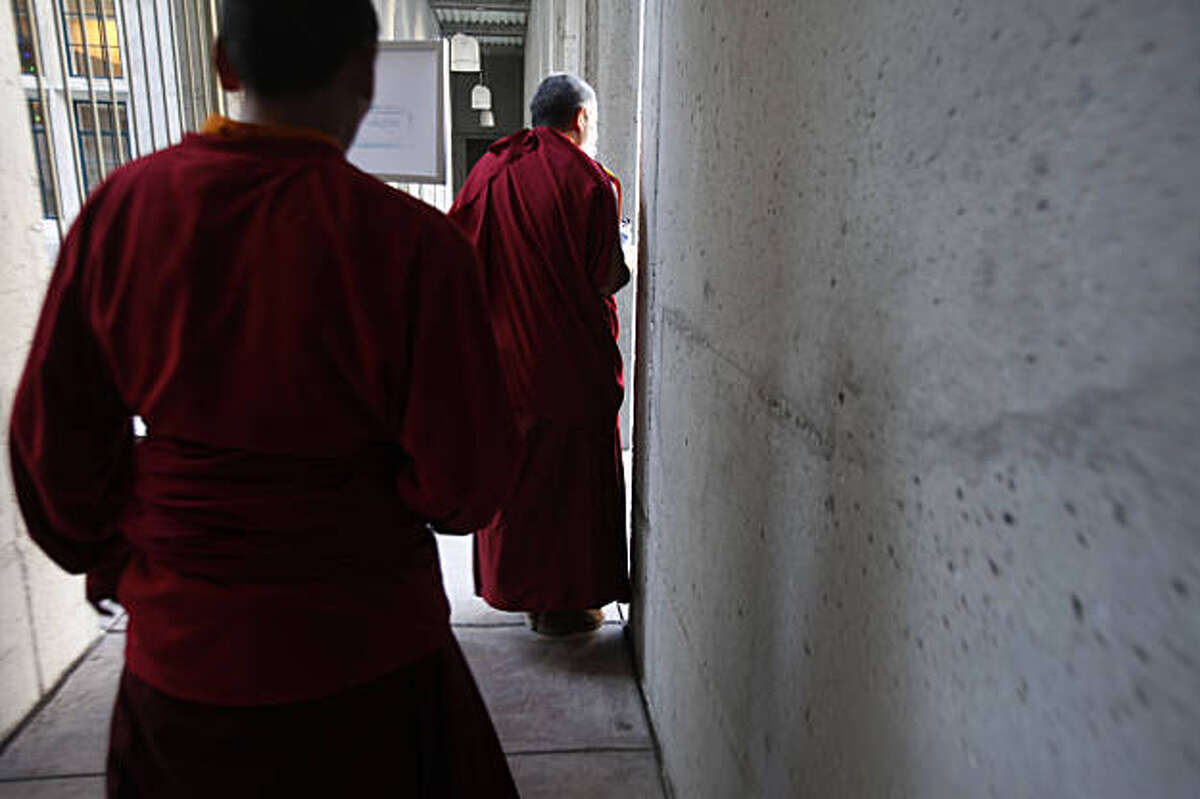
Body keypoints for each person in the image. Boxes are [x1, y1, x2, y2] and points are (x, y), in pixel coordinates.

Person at [7, 1, 521, 795]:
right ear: (364, 74)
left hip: (185, 658)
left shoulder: (123, 209)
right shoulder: (416, 245)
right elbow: (466, 486)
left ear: (224, 66)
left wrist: (129, 552)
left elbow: (51, 446)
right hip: (372, 658)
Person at [449, 73, 632, 637]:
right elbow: (605, 275)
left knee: (520, 482)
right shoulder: (589, 180)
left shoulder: (489, 172)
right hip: (568, 364)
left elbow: (458, 258)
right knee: (571, 483)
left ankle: (524, 596)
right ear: (581, 119)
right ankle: (570, 605)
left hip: (503, 362)